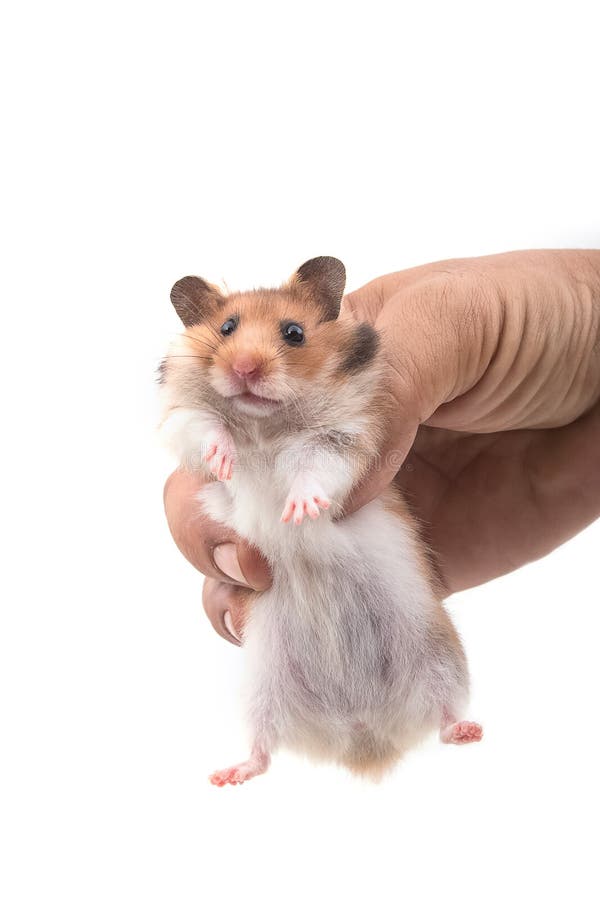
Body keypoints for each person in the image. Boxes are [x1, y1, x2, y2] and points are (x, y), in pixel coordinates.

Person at [163, 249, 600, 645]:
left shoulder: (351, 398)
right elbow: (185, 433)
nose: (246, 363)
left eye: (292, 333)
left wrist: (315, 480)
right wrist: (211, 439)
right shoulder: (199, 400)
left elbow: (341, 445)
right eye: (228, 329)